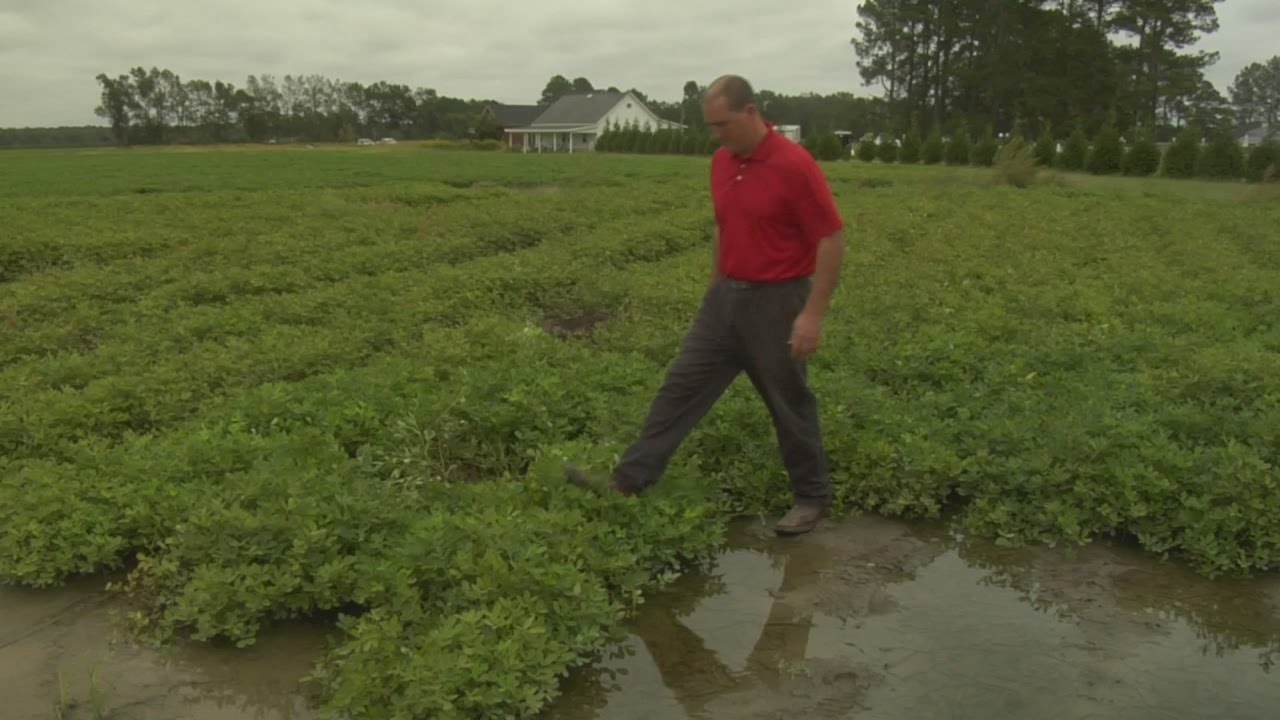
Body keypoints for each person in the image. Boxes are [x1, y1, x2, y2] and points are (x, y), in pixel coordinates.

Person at [567, 74, 846, 535]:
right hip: (724, 301)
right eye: (710, 126)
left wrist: (812, 313)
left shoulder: (794, 164)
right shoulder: (721, 161)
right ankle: (627, 482)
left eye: (723, 124)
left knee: (788, 402)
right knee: (678, 389)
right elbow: (723, 224)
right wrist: (716, 283)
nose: (716, 135)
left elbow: (831, 238)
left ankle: (811, 498)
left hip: (776, 302)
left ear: (751, 113)